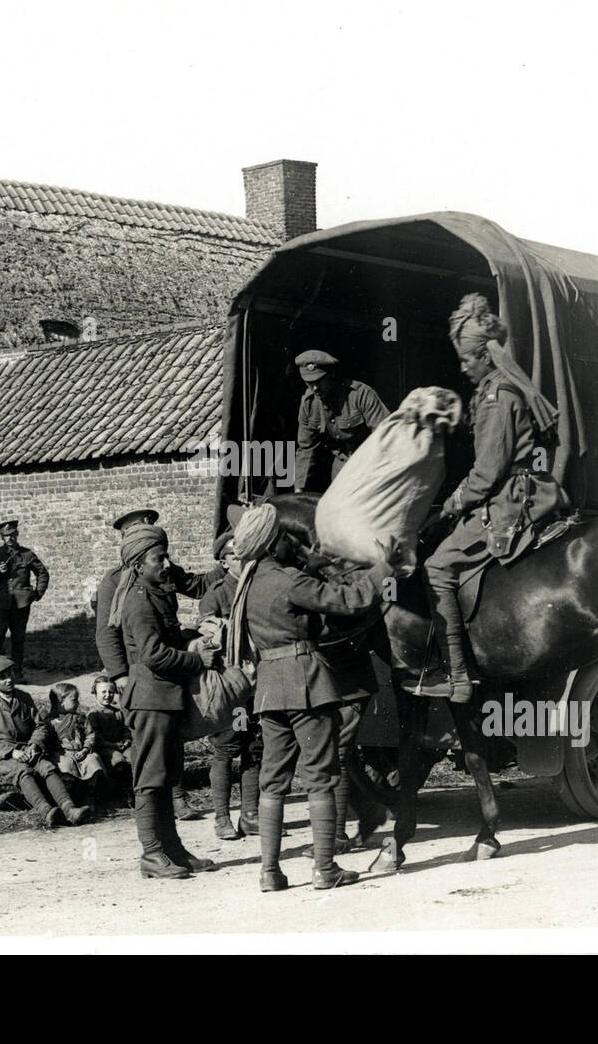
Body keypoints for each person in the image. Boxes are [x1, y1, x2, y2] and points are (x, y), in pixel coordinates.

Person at [231, 503, 398, 892]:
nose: (292, 542)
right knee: (321, 777)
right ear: (272, 544)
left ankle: (269, 872)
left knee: (273, 783)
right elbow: (352, 600)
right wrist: (384, 566)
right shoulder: (290, 581)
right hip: (305, 683)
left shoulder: (249, 583)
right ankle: (325, 868)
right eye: (285, 537)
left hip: (270, 689)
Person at [422, 293, 567, 703]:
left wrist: (450, 506)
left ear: (485, 357)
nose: (463, 367)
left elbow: (486, 474)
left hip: (506, 503)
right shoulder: (495, 389)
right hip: (509, 492)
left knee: (437, 566)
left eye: (467, 360)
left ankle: (458, 677)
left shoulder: (497, 397)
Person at [110, 523, 225, 879]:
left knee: (167, 775)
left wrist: (197, 637)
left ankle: (173, 849)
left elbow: (169, 638)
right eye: (159, 558)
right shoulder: (138, 600)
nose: (166, 563)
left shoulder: (157, 593)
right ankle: (152, 853)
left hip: (166, 699)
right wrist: (197, 660)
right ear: (138, 565)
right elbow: (154, 654)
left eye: (165, 555)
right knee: (149, 777)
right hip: (150, 700)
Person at [92, 508, 203, 821]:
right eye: (136, 529)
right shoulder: (115, 581)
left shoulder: (162, 569)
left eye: (148, 527)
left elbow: (194, 584)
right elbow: (106, 634)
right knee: (150, 745)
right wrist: (121, 676)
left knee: (171, 739)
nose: (143, 532)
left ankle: (177, 800)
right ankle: (164, 811)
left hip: (166, 668)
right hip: (140, 670)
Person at [198, 531, 264, 840]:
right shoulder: (217, 593)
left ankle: (250, 815)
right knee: (226, 748)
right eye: (236, 556)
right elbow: (207, 633)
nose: (244, 560)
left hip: (257, 684)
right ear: (224, 562)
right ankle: (222, 818)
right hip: (231, 686)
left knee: (255, 747)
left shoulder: (258, 586)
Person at [0, 655, 90, 827]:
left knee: (47, 767)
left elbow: (39, 726)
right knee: (22, 771)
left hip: (27, 749)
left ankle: (70, 809)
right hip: (1, 755)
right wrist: (12, 752)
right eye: (2, 677)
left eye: (11, 673)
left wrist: (35, 744)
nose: (9, 679)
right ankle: (46, 812)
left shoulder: (24, 698)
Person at [291, 350, 390, 493]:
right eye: (309, 383)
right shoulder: (308, 403)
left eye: (319, 381)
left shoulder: (361, 394)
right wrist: (299, 489)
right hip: (342, 465)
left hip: (369, 464)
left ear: (331, 374)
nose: (315, 388)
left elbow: (385, 437)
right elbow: (306, 448)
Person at [0, 520, 49, 683]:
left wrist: (36, 593)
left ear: (17, 534)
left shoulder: (27, 554)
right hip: (0, 604)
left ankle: (17, 674)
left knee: (18, 639)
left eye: (12, 535)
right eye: (6, 536)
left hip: (20, 605)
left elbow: (42, 573)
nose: (9, 538)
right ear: (1, 537)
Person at [46, 681, 110, 809]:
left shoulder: (80, 718)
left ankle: (89, 795)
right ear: (60, 701)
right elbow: (47, 741)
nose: (78, 703)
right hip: (63, 754)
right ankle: (69, 798)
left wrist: (86, 749)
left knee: (93, 760)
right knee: (66, 765)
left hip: (82, 752)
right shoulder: (50, 722)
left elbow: (90, 734)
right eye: (74, 700)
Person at [89, 675, 134, 798]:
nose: (107, 695)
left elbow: (126, 729)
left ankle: (136, 788)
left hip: (121, 745)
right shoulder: (94, 714)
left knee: (134, 756)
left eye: (111, 692)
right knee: (118, 760)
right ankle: (123, 792)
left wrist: (126, 741)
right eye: (103, 692)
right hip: (105, 748)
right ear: (95, 693)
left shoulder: (118, 712)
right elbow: (95, 736)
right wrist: (112, 745)